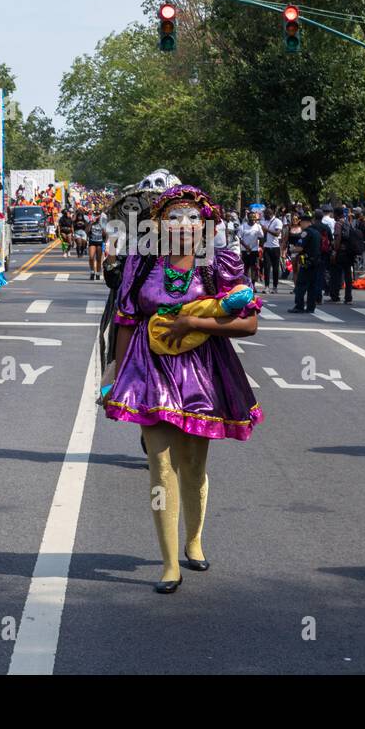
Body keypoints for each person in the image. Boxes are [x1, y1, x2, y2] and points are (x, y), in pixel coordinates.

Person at [104, 184, 262, 592]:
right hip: (149, 370)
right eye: (174, 217)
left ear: (205, 225)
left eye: (193, 218)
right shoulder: (141, 263)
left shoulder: (220, 264)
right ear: (159, 224)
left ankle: (193, 541)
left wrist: (193, 323)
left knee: (193, 465)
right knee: (159, 463)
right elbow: (124, 320)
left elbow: (247, 323)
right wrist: (117, 377)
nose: (184, 225)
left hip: (203, 374)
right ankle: (169, 562)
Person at [288, 211, 324, 313]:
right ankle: (310, 307)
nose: (300, 225)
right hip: (316, 262)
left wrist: (291, 249)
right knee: (312, 286)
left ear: (305, 222)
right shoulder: (317, 233)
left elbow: (299, 248)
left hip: (307, 262)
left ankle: (299, 306)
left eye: (301, 223)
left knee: (301, 284)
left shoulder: (306, 232)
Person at [333, 209, 364, 304]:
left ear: (336, 215)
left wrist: (335, 250)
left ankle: (335, 295)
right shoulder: (348, 223)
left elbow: (337, 238)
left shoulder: (338, 224)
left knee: (337, 274)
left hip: (341, 252)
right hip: (350, 252)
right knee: (348, 275)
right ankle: (348, 297)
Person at [237, 211, 264, 290]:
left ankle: (253, 284)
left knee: (254, 268)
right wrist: (246, 246)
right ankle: (245, 284)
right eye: (251, 218)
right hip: (245, 250)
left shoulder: (258, 226)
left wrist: (260, 246)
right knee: (245, 268)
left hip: (254, 250)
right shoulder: (243, 226)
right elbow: (239, 238)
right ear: (248, 218)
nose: (252, 220)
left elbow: (261, 236)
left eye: (254, 218)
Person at [260, 207, 283, 294]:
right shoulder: (265, 221)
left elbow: (277, 234)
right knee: (266, 268)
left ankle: (275, 287)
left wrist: (267, 230)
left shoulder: (277, 221)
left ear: (270, 214)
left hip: (275, 247)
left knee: (275, 268)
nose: (264, 216)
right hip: (266, 247)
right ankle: (266, 287)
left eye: (266, 214)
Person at [87, 211, 106, 281]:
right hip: (92, 241)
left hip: (100, 242)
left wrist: (102, 226)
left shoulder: (103, 223)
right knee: (91, 257)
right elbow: (86, 231)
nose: (97, 216)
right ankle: (92, 272)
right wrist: (91, 223)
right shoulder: (91, 222)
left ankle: (98, 273)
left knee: (98, 259)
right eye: (95, 215)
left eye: (98, 215)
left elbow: (105, 234)